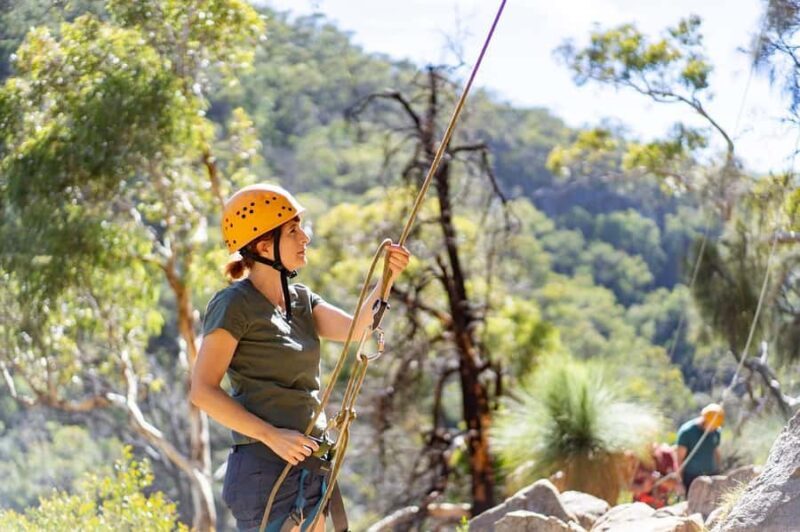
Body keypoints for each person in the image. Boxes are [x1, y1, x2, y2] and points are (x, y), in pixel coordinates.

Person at [190, 184, 411, 531]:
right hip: (265, 469)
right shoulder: (234, 305)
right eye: (293, 231)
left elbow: (358, 329)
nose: (305, 238)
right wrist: (271, 435)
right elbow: (202, 391)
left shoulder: (301, 301)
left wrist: (387, 278)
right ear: (264, 245)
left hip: (309, 463)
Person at [676, 403, 725, 495]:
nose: (713, 428)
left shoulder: (716, 432)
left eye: (715, 426)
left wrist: (719, 470)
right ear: (704, 420)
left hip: (711, 475)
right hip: (691, 478)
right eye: (712, 425)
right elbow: (679, 459)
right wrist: (679, 482)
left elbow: (716, 451)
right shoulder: (687, 432)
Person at [631, 442, 679, 508]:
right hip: (640, 507)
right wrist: (642, 488)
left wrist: (654, 475)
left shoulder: (665, 453)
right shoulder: (634, 456)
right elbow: (628, 485)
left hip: (661, 506)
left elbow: (673, 482)